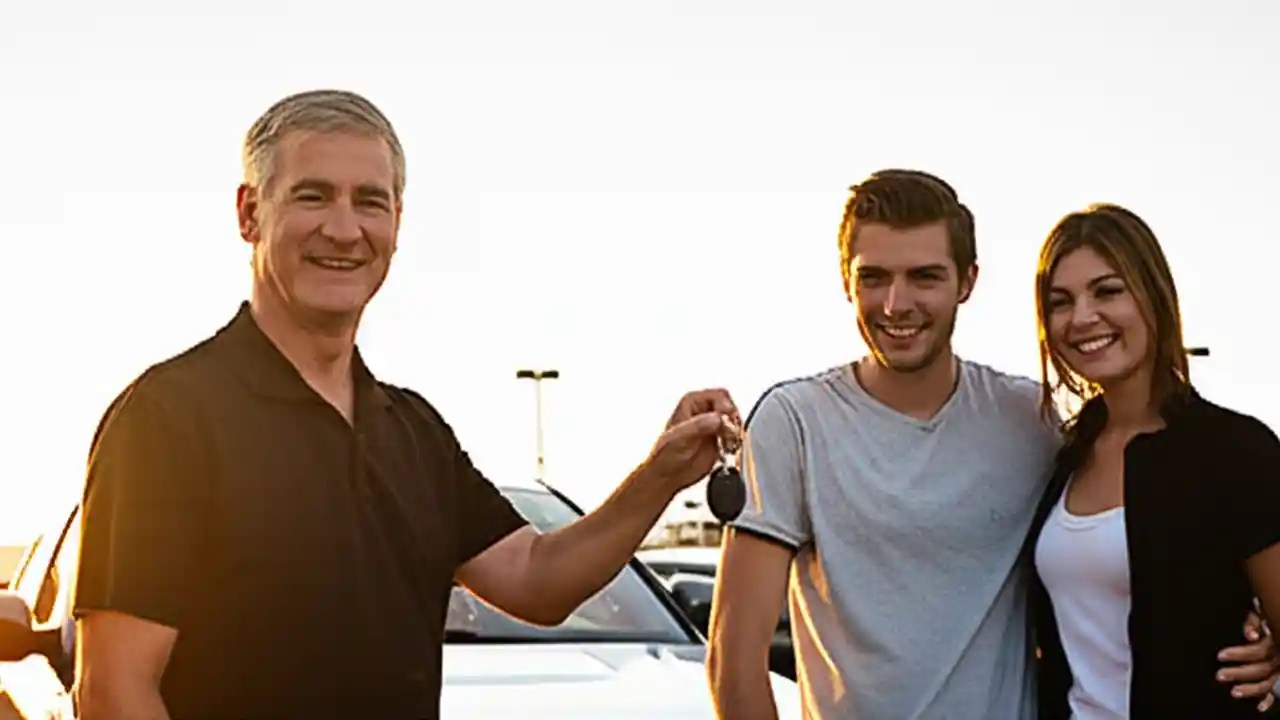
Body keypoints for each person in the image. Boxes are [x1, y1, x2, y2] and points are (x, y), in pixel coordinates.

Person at [69, 89, 742, 720]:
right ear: (250, 212)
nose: (343, 228)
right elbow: (113, 690)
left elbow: (537, 579)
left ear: (397, 223)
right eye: (312, 196)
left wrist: (660, 476)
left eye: (370, 201)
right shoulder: (166, 419)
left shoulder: (412, 430)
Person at [705, 169, 1277, 719]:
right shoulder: (794, 423)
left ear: (968, 281)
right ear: (844, 281)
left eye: (925, 276)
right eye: (873, 277)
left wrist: (1265, 638)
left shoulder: (1032, 423)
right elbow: (733, 661)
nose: (896, 304)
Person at [1028, 203, 1280, 718]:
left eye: (1107, 290)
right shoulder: (1064, 457)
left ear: (1153, 294)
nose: (1082, 317)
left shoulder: (1236, 450)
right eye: (1060, 301)